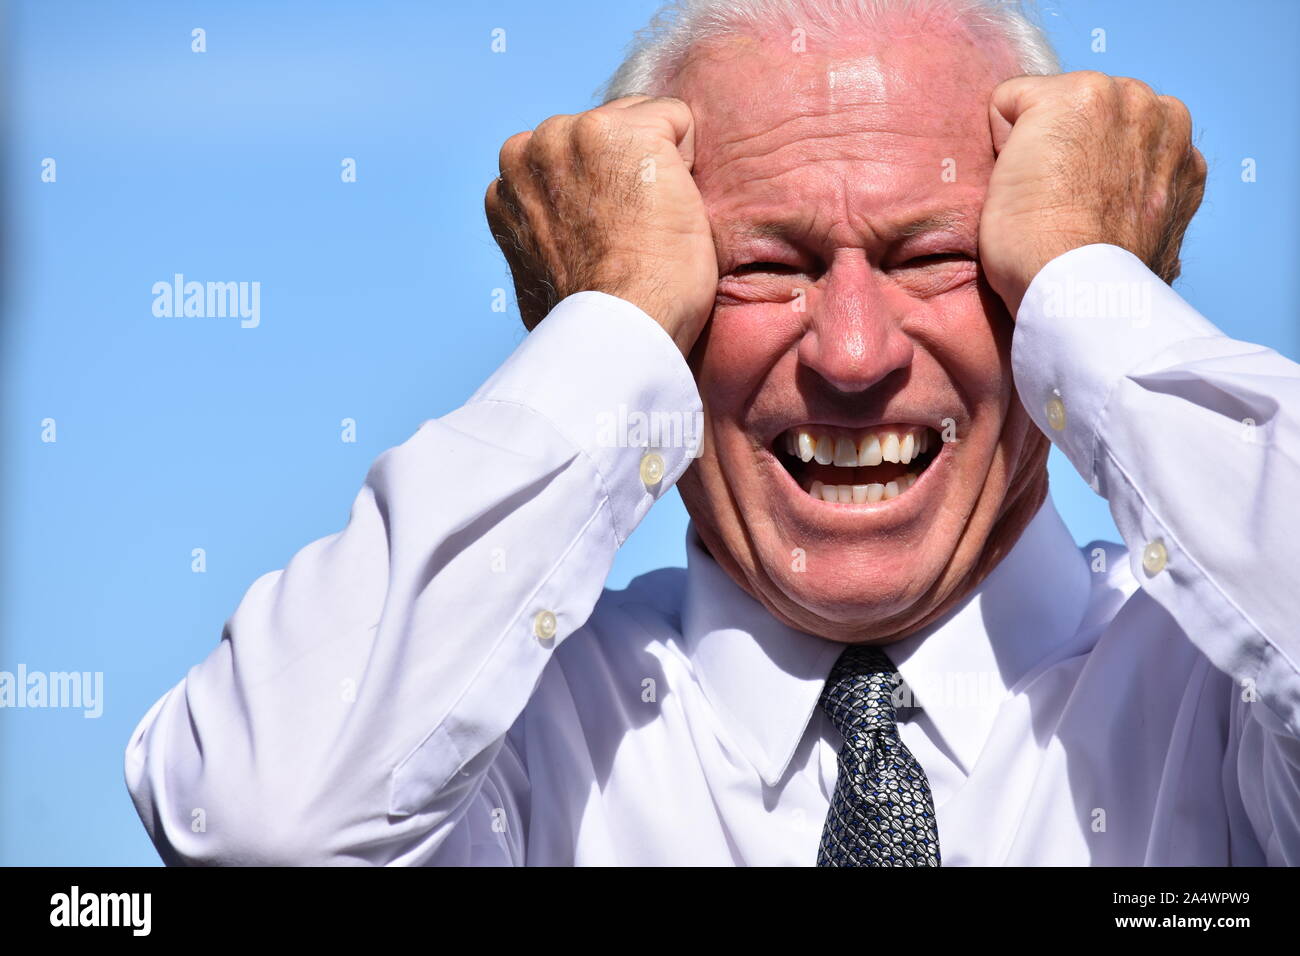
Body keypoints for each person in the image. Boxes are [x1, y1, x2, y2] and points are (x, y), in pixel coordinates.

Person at [125, 0, 1300, 865]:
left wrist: (1092, 292)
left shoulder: (1221, 713)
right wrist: (609, 328)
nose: (852, 353)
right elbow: (257, 828)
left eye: (936, 257)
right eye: (758, 268)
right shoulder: (517, 745)